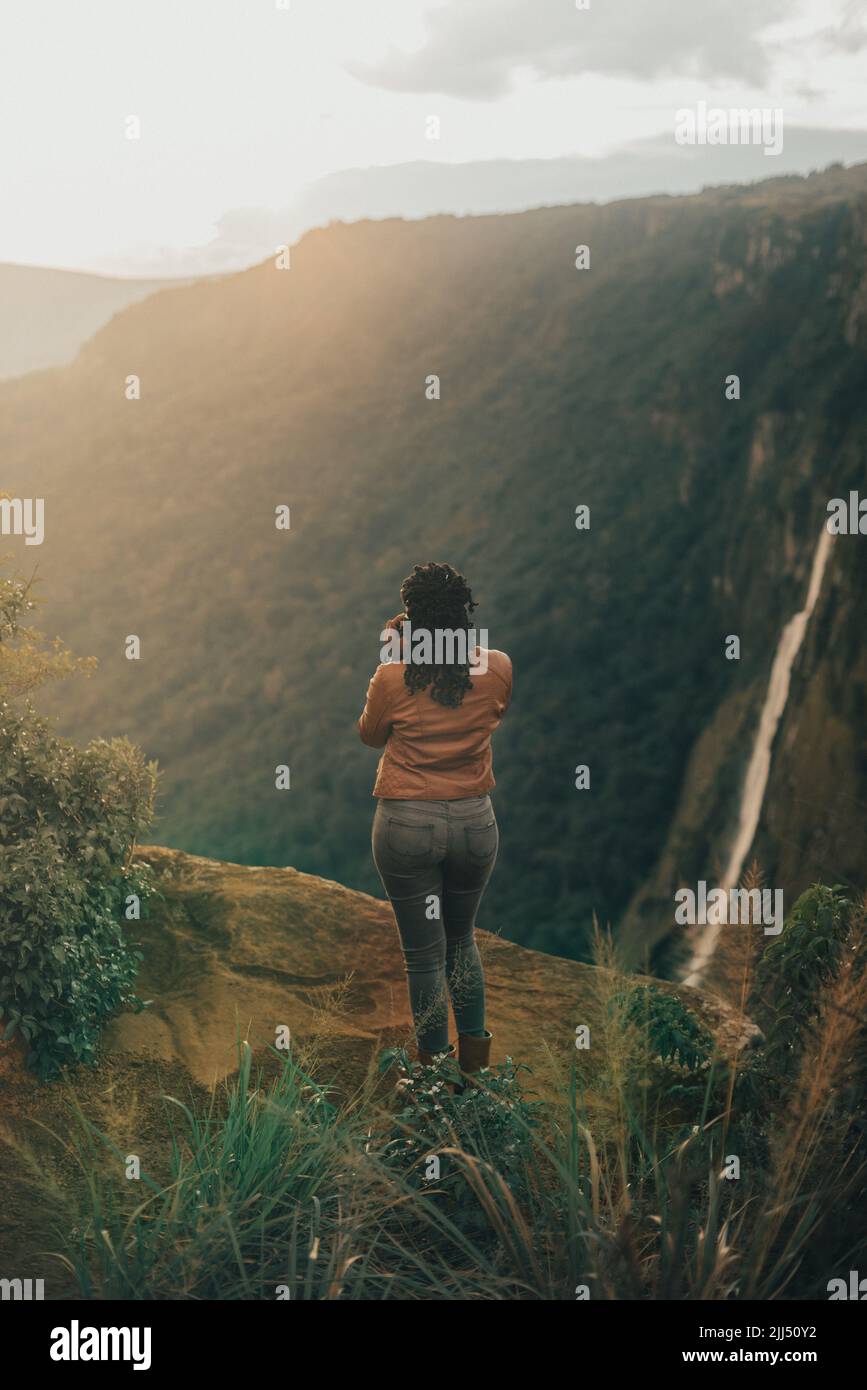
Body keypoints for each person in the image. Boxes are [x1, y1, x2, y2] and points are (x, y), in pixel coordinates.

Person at [357, 561, 512, 1082]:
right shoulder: (498, 667)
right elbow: (491, 712)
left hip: (407, 825)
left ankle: (432, 1083)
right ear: (465, 614)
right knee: (461, 939)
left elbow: (371, 735)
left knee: (423, 958)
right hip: (474, 824)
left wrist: (397, 653)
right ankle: (475, 1075)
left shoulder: (393, 674)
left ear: (411, 616)